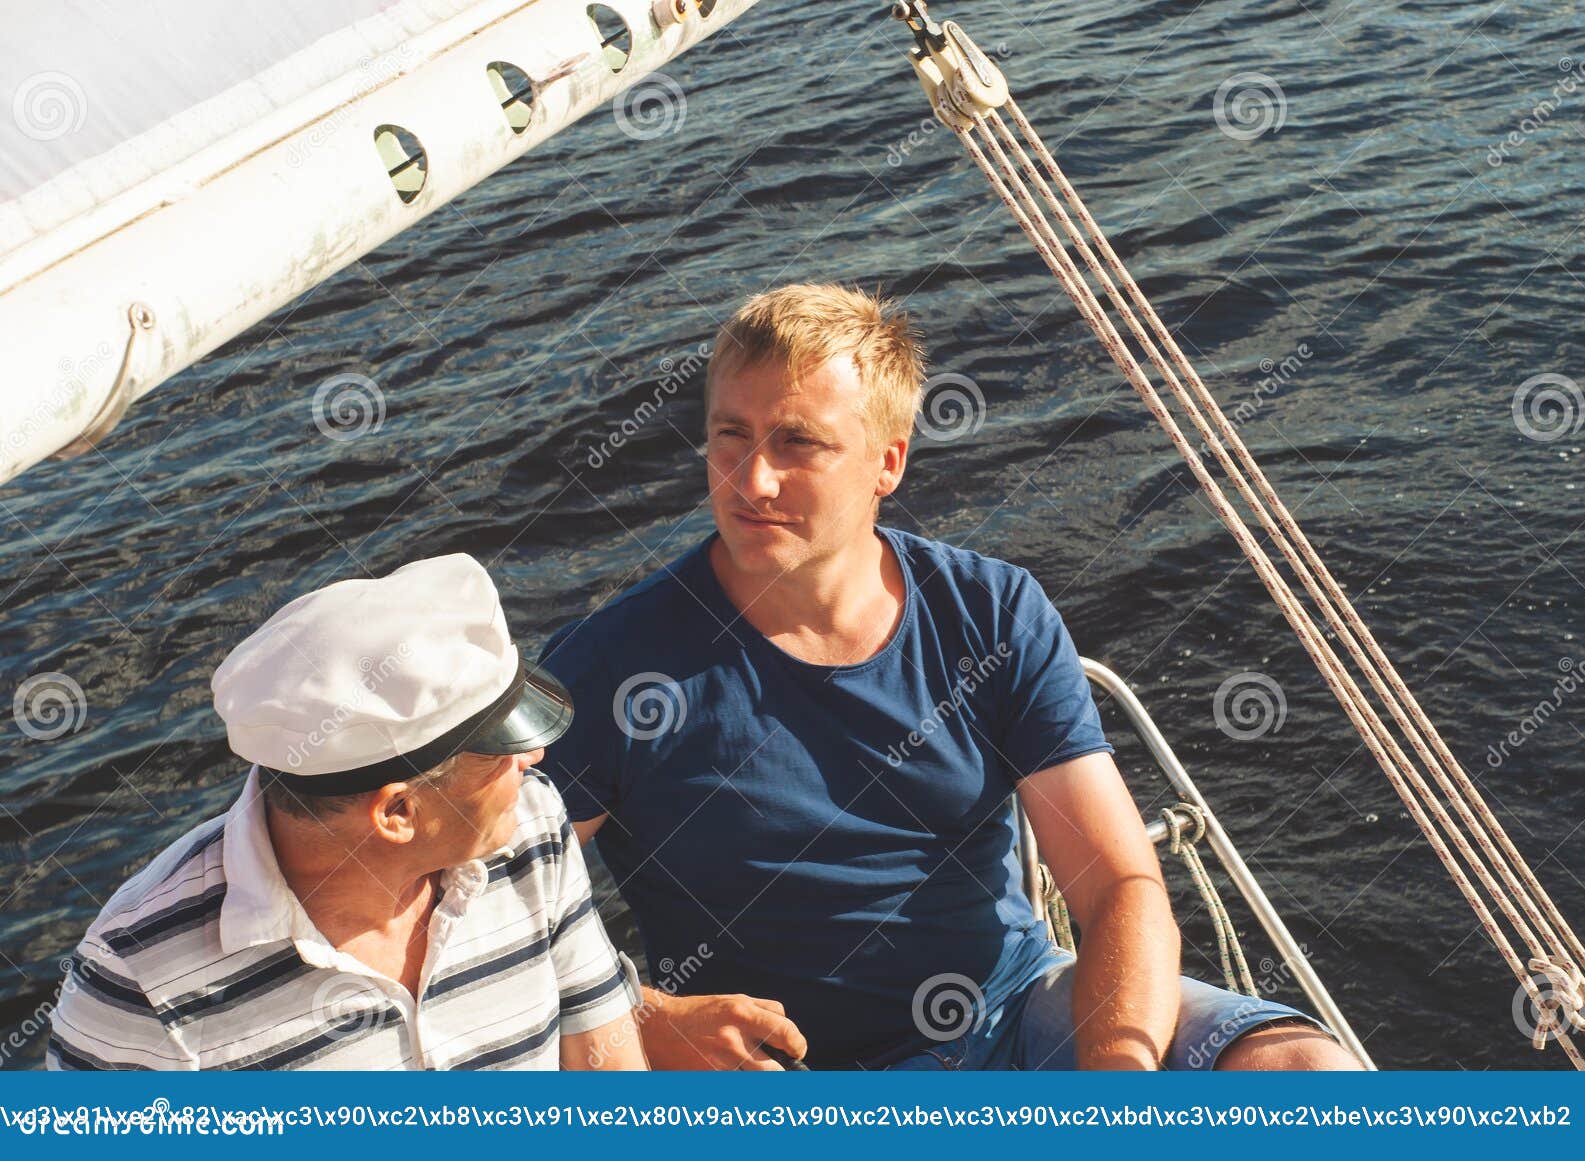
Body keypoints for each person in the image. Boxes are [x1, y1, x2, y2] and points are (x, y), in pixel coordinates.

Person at [538, 283, 1360, 1071]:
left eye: (798, 442)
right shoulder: (612, 666)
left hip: (1020, 1013)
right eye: (729, 435)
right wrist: (647, 1018)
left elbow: (1116, 884)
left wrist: (1117, 1083)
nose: (751, 480)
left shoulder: (989, 613)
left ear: (886, 462)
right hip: (788, 1077)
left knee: (1303, 1068)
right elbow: (495, 926)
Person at [48, 554, 645, 1071]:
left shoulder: (531, 825)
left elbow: (609, 1069)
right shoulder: (136, 982)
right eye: (498, 749)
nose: (533, 757)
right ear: (398, 813)